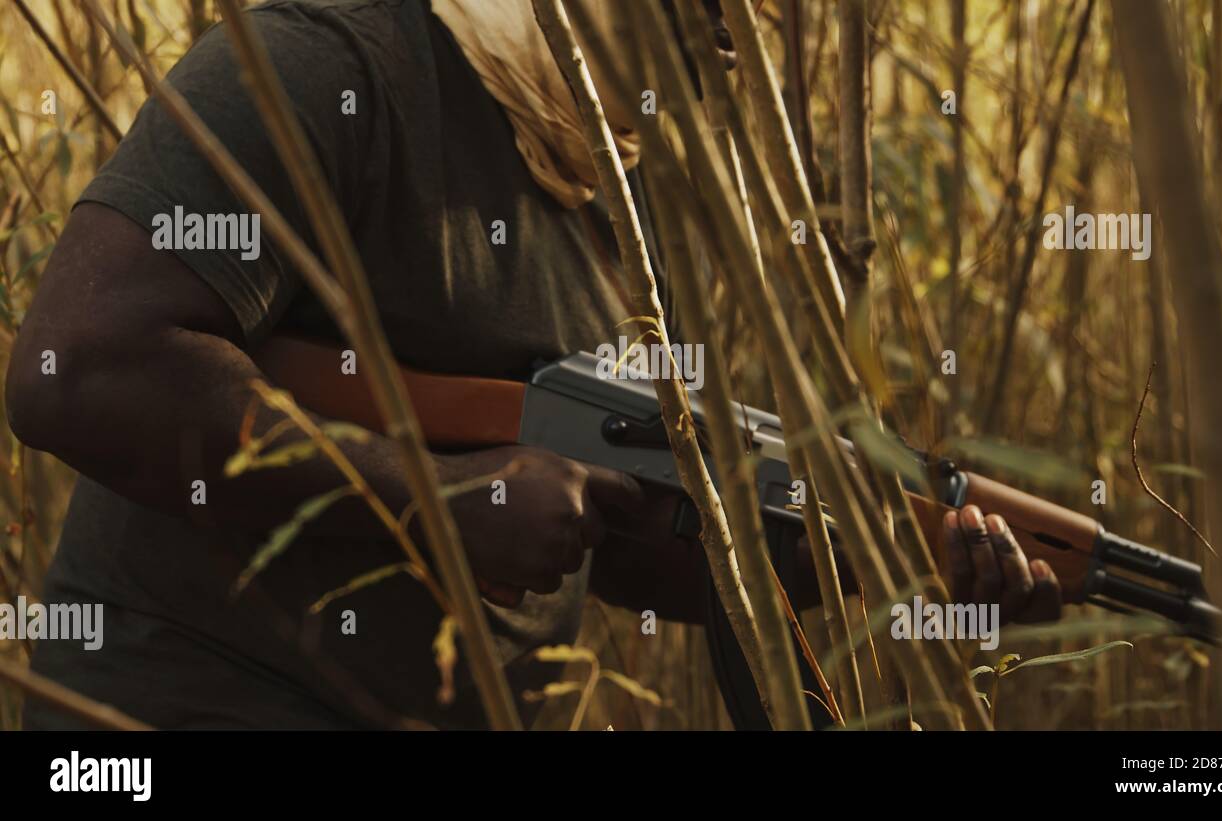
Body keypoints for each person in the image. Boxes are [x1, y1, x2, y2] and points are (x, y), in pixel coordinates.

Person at [5, 0, 1058, 729]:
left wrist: (881, 561)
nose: (742, 32)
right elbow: (78, 366)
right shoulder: (329, 61)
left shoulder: (604, 171)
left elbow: (635, 540)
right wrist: (430, 500)